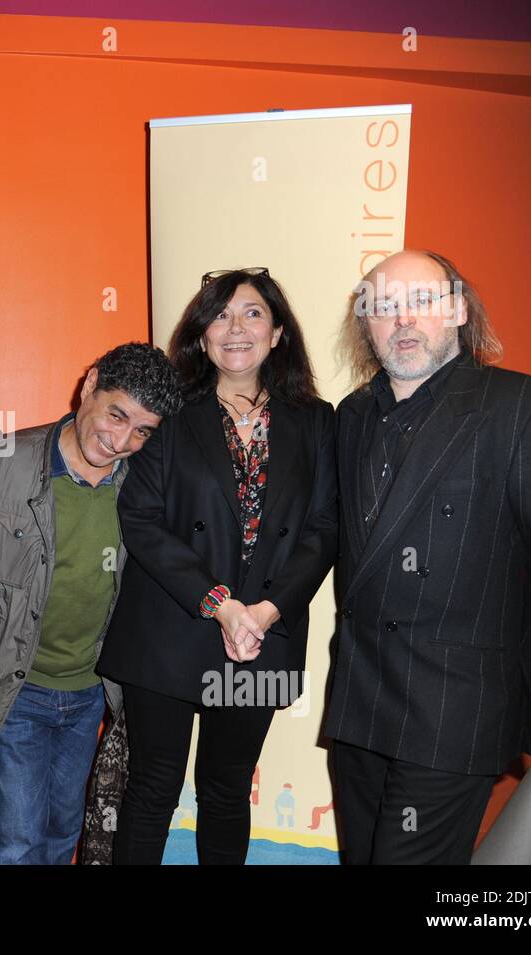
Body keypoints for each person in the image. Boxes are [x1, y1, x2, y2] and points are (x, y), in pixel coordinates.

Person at [326, 250, 531, 864]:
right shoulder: (351, 417)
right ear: (365, 324)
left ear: (456, 310)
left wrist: (509, 670)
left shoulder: (527, 408)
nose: (403, 320)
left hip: (456, 706)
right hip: (360, 701)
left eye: (422, 301)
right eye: (384, 306)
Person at [97, 268, 338, 864]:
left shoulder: (316, 420)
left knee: (228, 791)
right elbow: (142, 519)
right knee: (151, 789)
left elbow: (325, 527)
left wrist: (265, 609)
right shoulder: (170, 413)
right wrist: (221, 605)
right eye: (220, 315)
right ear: (201, 334)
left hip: (263, 633)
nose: (236, 328)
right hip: (170, 627)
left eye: (253, 314)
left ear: (278, 332)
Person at [0, 343, 179, 864]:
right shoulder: (0, 462)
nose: (122, 441)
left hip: (90, 691)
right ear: (90, 386)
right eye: (116, 414)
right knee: (18, 839)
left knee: (63, 834)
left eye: (142, 431)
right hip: (15, 685)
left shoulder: (144, 484)